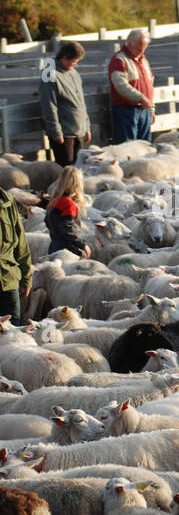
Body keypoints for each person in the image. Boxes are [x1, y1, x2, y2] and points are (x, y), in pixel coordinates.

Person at [38, 41, 91, 167]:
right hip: (64, 132)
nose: (76, 64)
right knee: (66, 168)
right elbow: (49, 104)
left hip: (78, 130)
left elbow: (81, 102)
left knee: (78, 167)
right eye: (74, 61)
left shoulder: (74, 73)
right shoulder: (49, 75)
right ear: (64, 57)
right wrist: (55, 131)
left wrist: (86, 126)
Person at [108, 29, 154, 142]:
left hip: (144, 110)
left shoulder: (143, 61)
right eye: (139, 48)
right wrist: (141, 98)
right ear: (129, 44)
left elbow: (150, 84)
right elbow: (121, 85)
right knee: (128, 148)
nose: (141, 51)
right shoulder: (119, 60)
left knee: (145, 147)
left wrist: (152, 108)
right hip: (126, 111)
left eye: (144, 48)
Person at [44, 166, 92, 259]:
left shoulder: (54, 201)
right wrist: (83, 245)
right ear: (77, 184)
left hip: (54, 247)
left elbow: (47, 221)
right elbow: (67, 229)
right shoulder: (69, 205)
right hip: (68, 250)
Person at [0, 185, 31, 324]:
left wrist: (26, 277)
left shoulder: (7, 203)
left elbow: (21, 243)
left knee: (13, 335)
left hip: (8, 280)